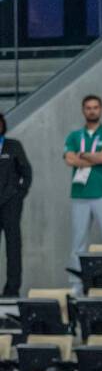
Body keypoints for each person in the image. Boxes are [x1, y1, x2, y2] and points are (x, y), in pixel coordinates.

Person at [63, 94, 102, 293]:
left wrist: (84, 155)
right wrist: (96, 158)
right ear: (83, 110)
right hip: (80, 195)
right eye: (88, 107)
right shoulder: (74, 136)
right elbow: (70, 160)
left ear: (101, 110)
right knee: (78, 242)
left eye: (95, 107)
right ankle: (76, 284)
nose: (92, 110)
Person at [0, 112, 32, 297]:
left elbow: (26, 171)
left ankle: (12, 289)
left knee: (13, 247)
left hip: (10, 204)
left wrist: (19, 194)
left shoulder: (13, 146)